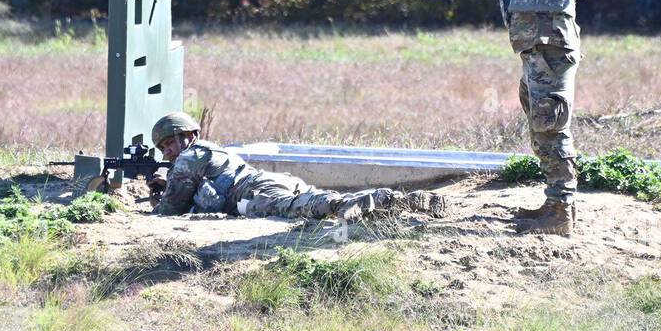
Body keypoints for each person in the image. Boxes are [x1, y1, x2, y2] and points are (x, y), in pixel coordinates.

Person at [501, 0, 589, 236]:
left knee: (550, 124)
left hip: (551, 50)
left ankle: (561, 211)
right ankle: (555, 203)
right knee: (541, 123)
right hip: (537, 51)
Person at [147, 113, 450, 220]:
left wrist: (159, 195)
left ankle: (368, 201)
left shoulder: (189, 158)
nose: (169, 151)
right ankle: (401, 203)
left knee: (309, 207)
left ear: (186, 137)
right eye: (163, 149)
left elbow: (170, 210)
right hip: (269, 180)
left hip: (252, 193)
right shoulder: (209, 151)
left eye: (169, 144)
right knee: (310, 200)